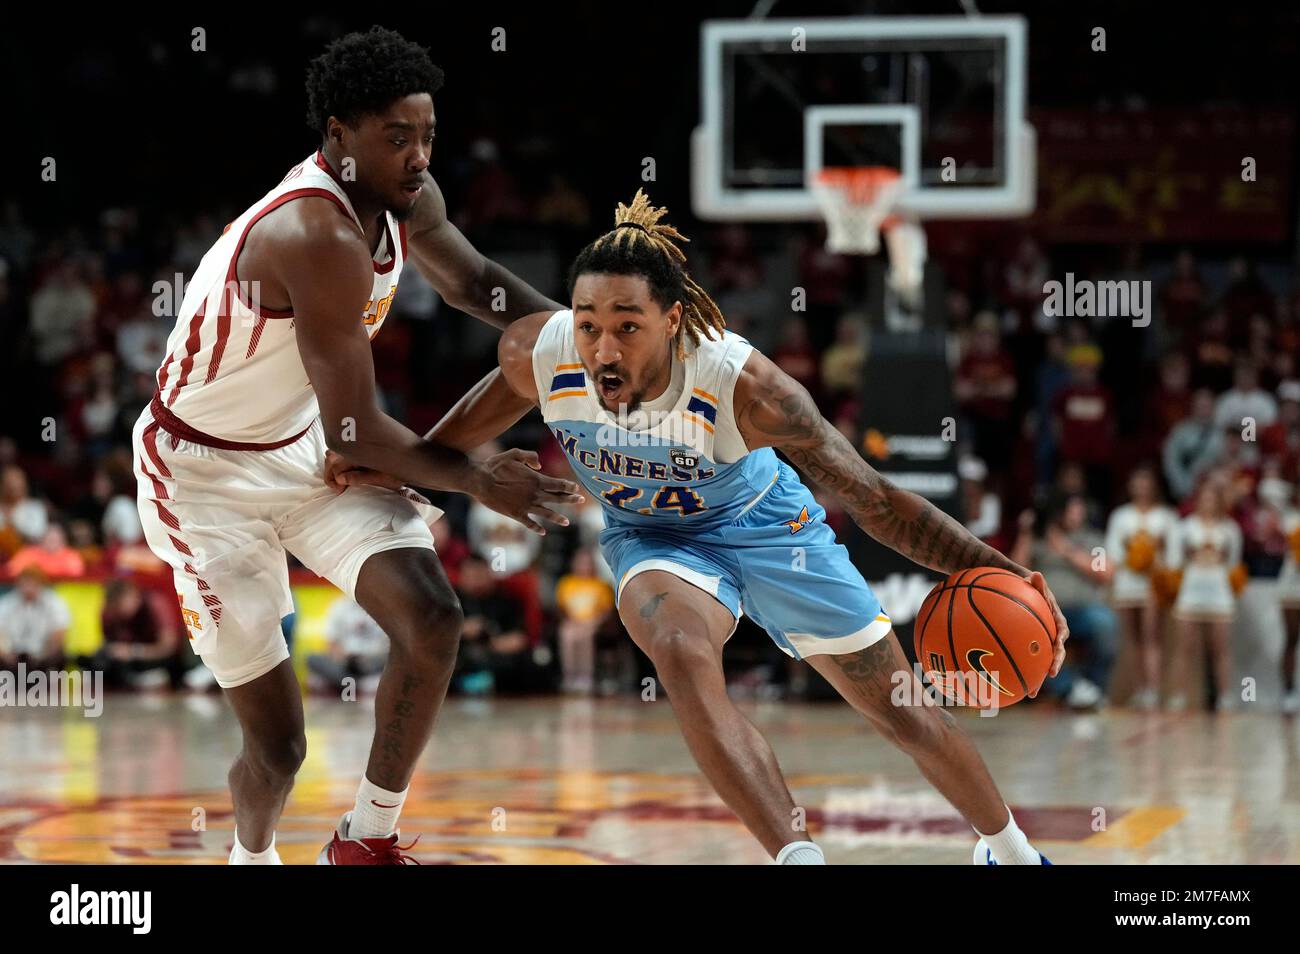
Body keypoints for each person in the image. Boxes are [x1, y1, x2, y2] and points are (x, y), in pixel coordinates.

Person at [331, 191, 1072, 865]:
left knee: (903, 710)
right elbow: (460, 435)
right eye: (589, 325)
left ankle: (1009, 851)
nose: (603, 348)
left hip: (771, 528)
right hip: (653, 541)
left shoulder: (748, 389)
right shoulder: (540, 352)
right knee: (682, 653)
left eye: (628, 326)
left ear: (673, 320)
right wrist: (391, 467)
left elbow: (874, 498)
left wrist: (999, 570)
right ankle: (796, 858)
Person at [130, 27, 581, 866]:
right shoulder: (313, 233)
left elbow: (473, 282)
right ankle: (251, 855)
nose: (418, 156)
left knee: (434, 618)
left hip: (299, 446)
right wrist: (479, 477)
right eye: (397, 137)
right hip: (199, 475)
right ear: (337, 134)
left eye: (428, 136)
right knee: (280, 752)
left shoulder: (409, 196)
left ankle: (365, 841)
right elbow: (357, 431)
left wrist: (578, 335)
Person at [1012, 494, 1117, 709]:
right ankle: (1073, 688)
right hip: (1046, 611)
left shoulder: (1092, 539)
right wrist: (1026, 533)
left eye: (1079, 508)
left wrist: (1066, 549)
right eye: (1070, 508)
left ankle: (1094, 688)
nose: (1075, 512)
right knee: (1024, 632)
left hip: (1084, 609)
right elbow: (1014, 571)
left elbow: (1104, 572)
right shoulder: (1038, 540)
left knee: (1105, 624)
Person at [1165, 479, 1242, 712]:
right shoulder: (1184, 527)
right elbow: (1173, 561)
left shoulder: (1230, 529)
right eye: (1203, 498)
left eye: (1212, 498)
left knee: (1220, 648)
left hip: (1218, 591)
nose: (1208, 503)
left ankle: (1225, 696)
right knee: (1184, 647)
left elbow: (1234, 564)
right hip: (1191, 588)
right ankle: (1178, 696)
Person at [1104, 466, 1177, 709]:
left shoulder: (1166, 516)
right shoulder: (1120, 516)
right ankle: (1138, 690)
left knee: (1151, 635)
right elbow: (1112, 552)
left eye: (1146, 482)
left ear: (1154, 485)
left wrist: (1158, 563)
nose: (1142, 487)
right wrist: (1131, 558)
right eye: (1137, 482)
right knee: (1132, 638)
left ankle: (1153, 690)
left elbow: (1174, 555)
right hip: (1127, 581)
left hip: (1152, 583)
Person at [80, 577, 189, 690]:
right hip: (124, 664)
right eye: (115, 607)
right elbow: (108, 642)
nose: (120, 611)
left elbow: (168, 647)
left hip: (156, 662)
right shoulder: (109, 613)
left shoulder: (155, 604)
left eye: (121, 604)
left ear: (134, 595)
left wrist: (133, 651)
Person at [306, 597, 389, 694]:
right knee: (312, 658)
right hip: (346, 662)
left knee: (390, 660)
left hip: (373, 661)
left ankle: (347, 683)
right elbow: (331, 643)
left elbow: (389, 643)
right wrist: (343, 657)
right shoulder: (339, 607)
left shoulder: (383, 607)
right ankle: (361, 683)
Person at [0, 567, 69, 674]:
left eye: (32, 583)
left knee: (59, 657)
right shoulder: (7, 603)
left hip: (43, 656)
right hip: (13, 656)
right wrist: (6, 655)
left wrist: (44, 655)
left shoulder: (55, 602)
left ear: (41, 584)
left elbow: (59, 633)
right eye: (25, 583)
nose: (28, 587)